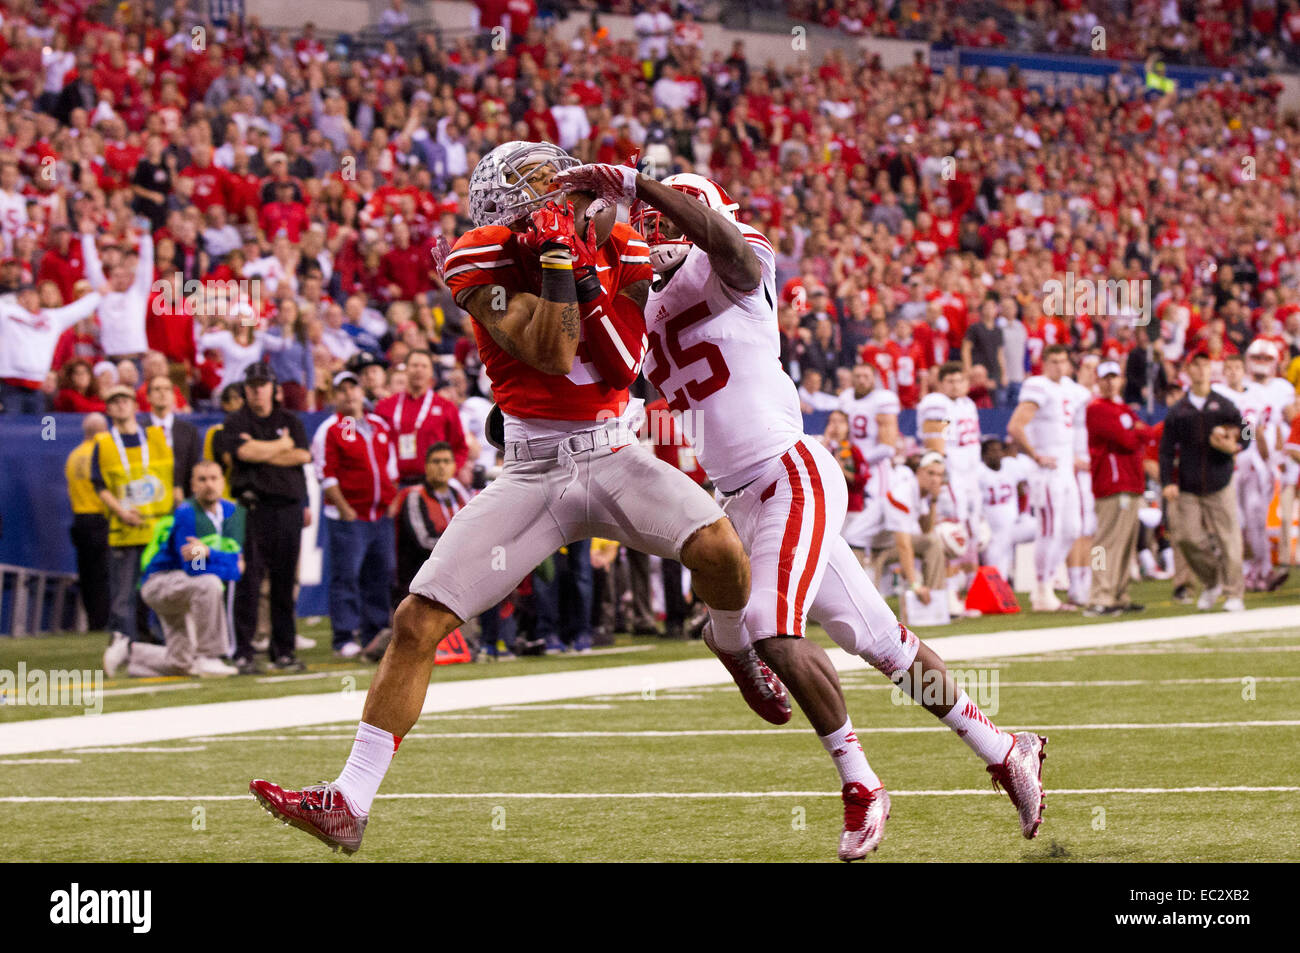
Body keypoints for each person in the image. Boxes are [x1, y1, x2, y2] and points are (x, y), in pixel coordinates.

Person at [251, 141, 753, 855]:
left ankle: (731, 642)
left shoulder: (616, 239)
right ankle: (349, 798)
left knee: (721, 548)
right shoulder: (475, 258)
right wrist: (559, 267)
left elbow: (614, 360)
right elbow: (551, 351)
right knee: (417, 620)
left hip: (614, 451)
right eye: (545, 198)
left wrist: (590, 265)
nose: (563, 205)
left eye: (563, 195)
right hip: (532, 469)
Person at [554, 163, 1045, 857]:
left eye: (670, 214)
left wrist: (640, 187)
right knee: (880, 640)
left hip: (790, 472)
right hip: (741, 496)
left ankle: (861, 782)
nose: (656, 228)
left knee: (766, 625)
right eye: (651, 218)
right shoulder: (645, 307)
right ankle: (1004, 746)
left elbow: (725, 249)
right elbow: (614, 374)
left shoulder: (736, 259)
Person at [103, 461, 243, 678]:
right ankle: (209, 655)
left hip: (183, 585)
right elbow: (195, 569)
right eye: (202, 479)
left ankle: (130, 652)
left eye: (214, 478)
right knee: (209, 584)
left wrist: (209, 553)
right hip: (161, 583)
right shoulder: (188, 513)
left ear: (223, 482)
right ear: (192, 485)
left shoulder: (233, 513)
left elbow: (238, 564)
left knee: (181, 663)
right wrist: (224, 563)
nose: (209, 485)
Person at [217, 363, 311, 673]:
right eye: (253, 384)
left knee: (284, 584)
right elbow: (243, 454)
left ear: (273, 388)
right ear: (245, 389)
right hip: (251, 508)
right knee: (248, 581)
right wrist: (280, 446)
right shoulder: (235, 421)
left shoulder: (290, 420)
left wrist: (261, 450)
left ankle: (283, 650)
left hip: (287, 509)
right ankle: (242, 651)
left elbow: (302, 456)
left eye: (263, 384)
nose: (258, 389)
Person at [312, 371, 397, 660]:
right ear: (335, 396)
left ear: (362, 391)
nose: (349, 394)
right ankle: (344, 636)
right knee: (346, 575)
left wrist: (391, 501)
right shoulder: (331, 429)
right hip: (350, 516)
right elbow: (326, 474)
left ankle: (374, 633)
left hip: (379, 515)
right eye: (342, 390)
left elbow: (391, 467)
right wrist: (345, 508)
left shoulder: (379, 425)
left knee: (380, 574)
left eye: (353, 388)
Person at [1159, 352, 1250, 612]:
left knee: (1229, 538)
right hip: (1188, 484)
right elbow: (1166, 449)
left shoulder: (1224, 404)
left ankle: (1235, 593)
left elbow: (1247, 430)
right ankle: (1212, 581)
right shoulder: (1179, 409)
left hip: (1220, 480)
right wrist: (1167, 481)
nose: (1201, 370)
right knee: (1186, 537)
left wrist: (1236, 445)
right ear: (1188, 370)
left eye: (1205, 365)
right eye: (1196, 365)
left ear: (1212, 369)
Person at [90, 386, 174, 643]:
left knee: (162, 589)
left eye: (125, 399)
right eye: (114, 401)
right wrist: (120, 511)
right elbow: (99, 485)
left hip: (157, 528)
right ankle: (123, 643)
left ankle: (163, 640)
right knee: (123, 593)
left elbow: (171, 477)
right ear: (108, 409)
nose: (121, 405)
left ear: (136, 406)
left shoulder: (156, 437)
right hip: (124, 530)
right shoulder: (104, 444)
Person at [1008, 344, 1083, 611]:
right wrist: (1036, 455)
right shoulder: (1037, 386)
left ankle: (1049, 581)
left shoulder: (1068, 388)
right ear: (1043, 363)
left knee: (1073, 528)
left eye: (1063, 360)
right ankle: (1042, 590)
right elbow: (1015, 426)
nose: (1059, 366)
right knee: (1049, 530)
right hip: (1047, 471)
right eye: (1053, 361)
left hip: (1065, 469)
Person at [1084, 362, 1149, 615]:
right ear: (1097, 381)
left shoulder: (1122, 409)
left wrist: (1135, 431)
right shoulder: (1097, 409)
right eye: (1105, 378)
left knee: (1125, 544)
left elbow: (1142, 434)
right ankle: (1100, 595)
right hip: (1111, 483)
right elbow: (1128, 439)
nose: (1110, 383)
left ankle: (1119, 594)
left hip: (1130, 482)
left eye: (1114, 377)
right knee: (1104, 543)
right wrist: (1135, 431)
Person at [0, 281, 102, 414]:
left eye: (31, 295)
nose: (27, 299)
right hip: (10, 386)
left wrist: (100, 293)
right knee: (10, 429)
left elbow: (79, 309)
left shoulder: (52, 317)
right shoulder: (7, 313)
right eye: (23, 296)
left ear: (38, 297)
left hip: (37, 386)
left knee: (37, 430)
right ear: (17, 300)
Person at [373, 349, 468, 485]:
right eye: (414, 365)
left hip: (433, 483)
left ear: (431, 372)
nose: (419, 370)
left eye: (424, 366)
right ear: (405, 370)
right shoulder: (385, 407)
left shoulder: (446, 407)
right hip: (395, 483)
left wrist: (449, 472)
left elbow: (460, 447)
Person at [80, 222, 153, 362]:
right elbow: (92, 267)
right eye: (116, 276)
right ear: (110, 278)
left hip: (136, 356)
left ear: (130, 277)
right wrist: (87, 238)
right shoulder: (104, 294)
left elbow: (146, 267)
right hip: (110, 356)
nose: (120, 280)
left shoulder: (138, 294)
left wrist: (145, 238)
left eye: (123, 276)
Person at [65, 412, 110, 631]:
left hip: (80, 520)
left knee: (88, 574)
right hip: (101, 518)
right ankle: (105, 622)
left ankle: (94, 621)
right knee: (104, 574)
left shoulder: (73, 455)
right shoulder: (102, 453)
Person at [977, 436, 1034, 584]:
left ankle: (1051, 578)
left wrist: (1024, 514)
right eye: (992, 451)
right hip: (992, 532)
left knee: (1051, 530)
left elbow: (1022, 489)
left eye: (999, 450)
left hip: (1015, 526)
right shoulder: (979, 472)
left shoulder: (1011, 467)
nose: (996, 454)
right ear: (984, 455)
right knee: (996, 576)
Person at [141, 375, 200, 507]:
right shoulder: (139, 431)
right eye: (157, 389)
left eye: (167, 389)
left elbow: (193, 467)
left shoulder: (189, 431)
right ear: (148, 397)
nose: (162, 393)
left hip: (183, 501)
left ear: (174, 396)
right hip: (148, 501)